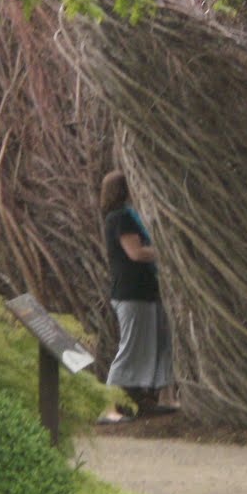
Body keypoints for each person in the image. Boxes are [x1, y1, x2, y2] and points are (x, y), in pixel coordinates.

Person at [96, 169, 176, 423]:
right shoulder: (120, 218)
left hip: (144, 292)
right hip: (131, 293)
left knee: (158, 344)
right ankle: (108, 407)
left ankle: (155, 398)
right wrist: (168, 252)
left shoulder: (123, 217)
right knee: (130, 349)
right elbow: (136, 253)